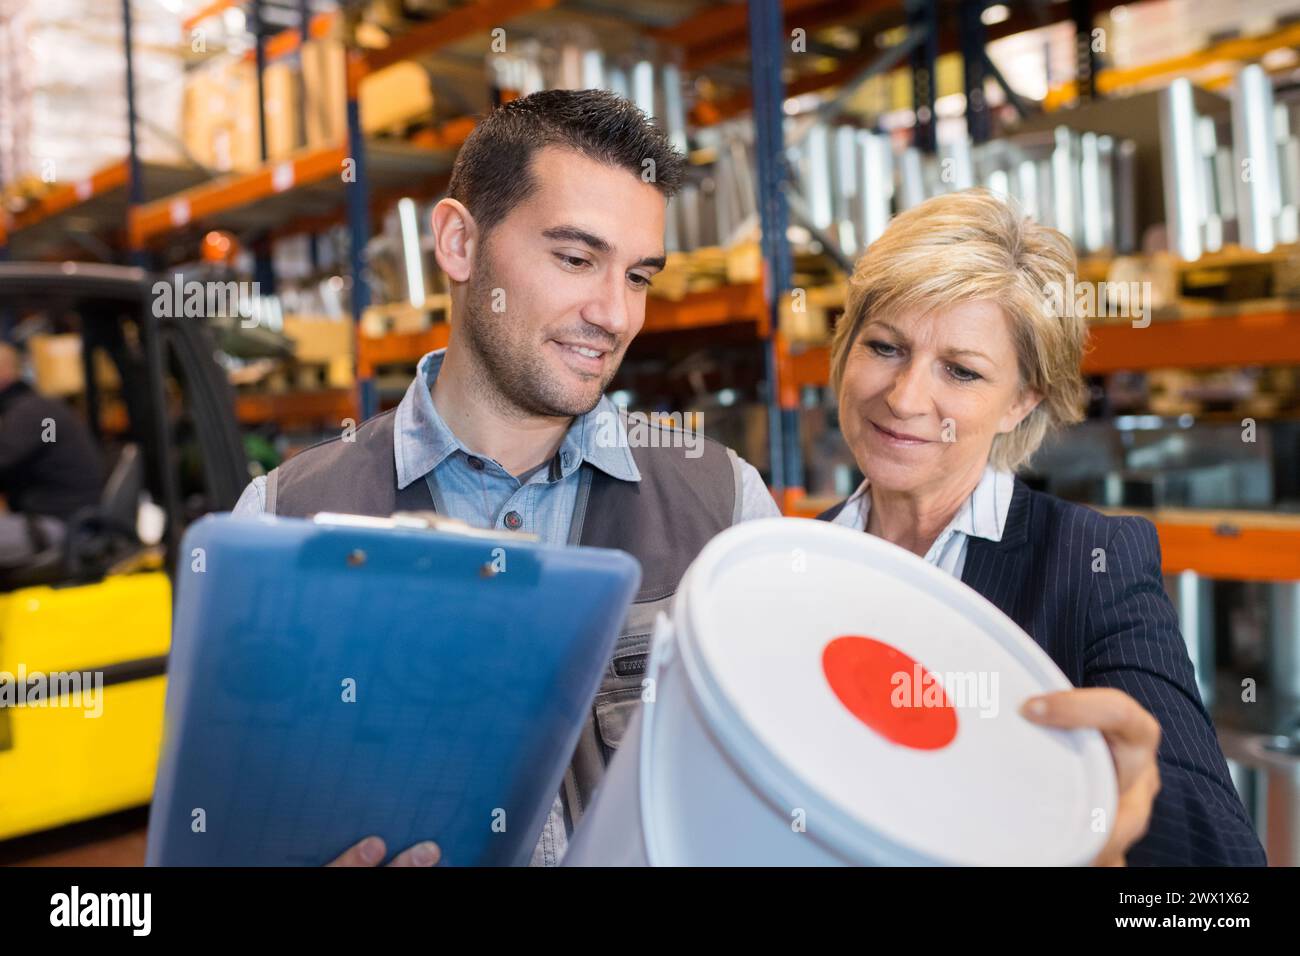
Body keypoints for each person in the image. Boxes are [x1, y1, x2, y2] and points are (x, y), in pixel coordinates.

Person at [232, 88, 782, 866]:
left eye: (638, 277)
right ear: (459, 244)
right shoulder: (285, 521)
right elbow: (240, 812)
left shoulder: (724, 507)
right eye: (576, 259)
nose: (616, 315)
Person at [817, 187, 1266, 866]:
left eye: (962, 371)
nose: (906, 398)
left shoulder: (1091, 562)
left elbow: (1214, 883)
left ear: (1020, 402)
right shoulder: (795, 563)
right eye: (884, 346)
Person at [0, 342, 103, 567]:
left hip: (59, 524)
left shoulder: (30, 413)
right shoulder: (31, 408)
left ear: (4, 372)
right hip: (50, 519)